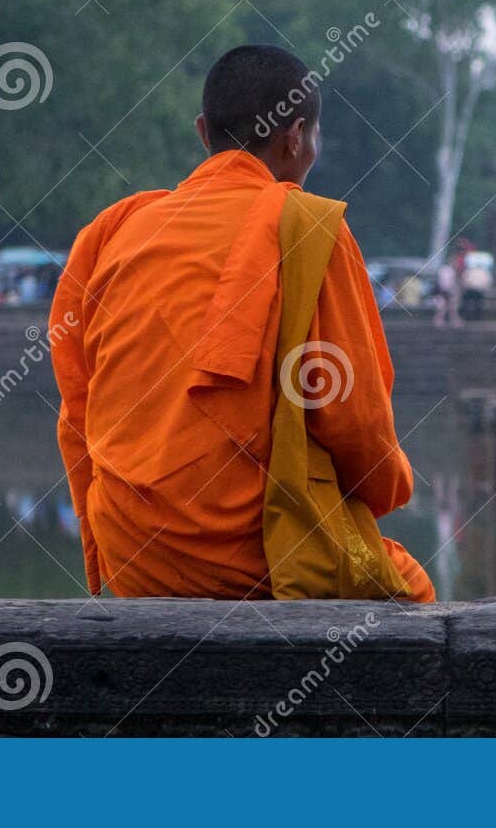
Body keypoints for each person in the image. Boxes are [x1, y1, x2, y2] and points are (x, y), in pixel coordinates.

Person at [49, 45, 433, 601]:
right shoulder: (308, 228)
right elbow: (354, 422)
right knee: (414, 593)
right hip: (257, 559)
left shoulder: (114, 232)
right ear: (296, 136)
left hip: (133, 558)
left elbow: (76, 412)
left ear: (204, 131)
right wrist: (390, 487)